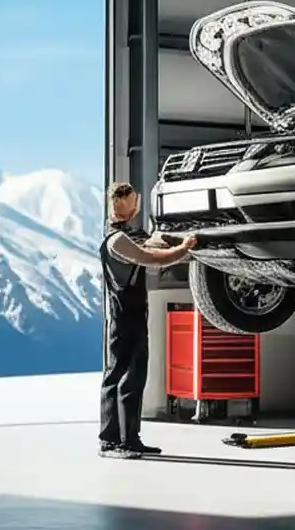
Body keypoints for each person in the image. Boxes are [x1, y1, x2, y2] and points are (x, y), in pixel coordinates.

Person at [98, 181, 197, 459]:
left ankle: (130, 438)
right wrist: (184, 248)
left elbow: (151, 242)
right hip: (122, 320)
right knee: (118, 377)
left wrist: (174, 237)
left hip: (135, 316)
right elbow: (151, 258)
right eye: (134, 200)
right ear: (122, 203)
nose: (138, 204)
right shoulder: (117, 240)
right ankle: (110, 441)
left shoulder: (128, 235)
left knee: (135, 377)